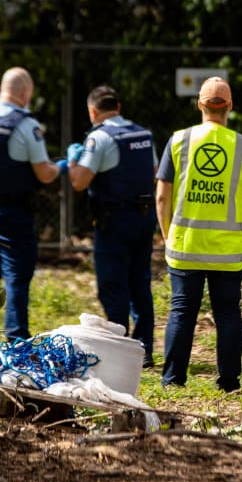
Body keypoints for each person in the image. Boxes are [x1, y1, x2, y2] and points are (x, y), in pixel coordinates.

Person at [155, 77, 242, 392]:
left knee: (181, 312)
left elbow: (162, 198)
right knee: (228, 313)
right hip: (229, 252)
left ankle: (173, 380)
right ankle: (229, 382)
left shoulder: (178, 141)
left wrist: (167, 236)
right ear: (229, 106)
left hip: (185, 246)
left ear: (200, 105)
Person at [0, 66, 67, 343]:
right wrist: (62, 167)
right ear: (26, 93)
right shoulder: (25, 125)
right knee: (17, 276)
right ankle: (17, 339)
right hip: (11, 212)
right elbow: (44, 173)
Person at [66, 85, 158, 369]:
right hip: (144, 217)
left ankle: (120, 350)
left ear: (93, 112)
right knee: (140, 283)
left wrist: (72, 159)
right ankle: (144, 351)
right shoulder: (144, 134)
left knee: (112, 286)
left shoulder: (100, 138)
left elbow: (79, 181)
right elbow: (154, 173)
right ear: (118, 107)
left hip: (114, 220)